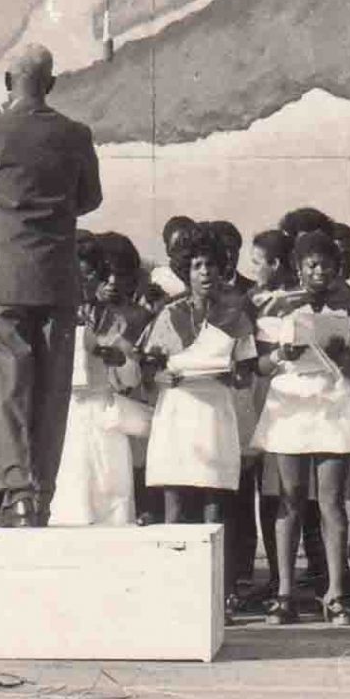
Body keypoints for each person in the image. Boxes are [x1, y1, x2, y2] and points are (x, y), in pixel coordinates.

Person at [0, 44, 104, 527]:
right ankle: (42, 497)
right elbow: (90, 198)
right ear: (50, 84)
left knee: (7, 384)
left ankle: (18, 495)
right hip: (56, 276)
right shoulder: (75, 134)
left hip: (1, 276)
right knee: (52, 391)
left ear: (8, 82)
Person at [251, 230, 350, 622]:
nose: (320, 271)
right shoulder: (278, 305)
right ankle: (285, 593)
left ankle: (335, 594)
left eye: (327, 265)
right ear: (299, 268)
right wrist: (281, 355)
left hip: (333, 402)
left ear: (337, 268)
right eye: (312, 265)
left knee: (332, 502)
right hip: (291, 402)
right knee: (291, 499)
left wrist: (342, 356)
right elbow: (260, 365)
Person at [142, 225, 258, 536]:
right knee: (174, 501)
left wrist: (234, 375)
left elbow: (246, 372)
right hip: (176, 412)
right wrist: (160, 376)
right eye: (197, 266)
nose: (205, 272)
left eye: (211, 265)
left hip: (214, 412)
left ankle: (214, 569)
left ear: (221, 270)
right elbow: (149, 368)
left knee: (214, 502)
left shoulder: (237, 317)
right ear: (187, 272)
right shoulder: (169, 315)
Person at [53, 234, 154, 530]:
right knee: (72, 493)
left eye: (90, 276)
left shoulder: (118, 320)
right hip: (67, 415)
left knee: (110, 492)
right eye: (78, 275)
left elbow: (130, 378)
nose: (83, 283)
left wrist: (119, 359)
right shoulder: (55, 317)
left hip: (104, 413)